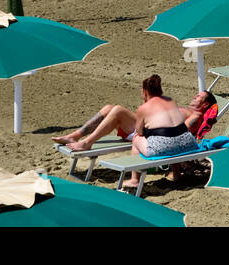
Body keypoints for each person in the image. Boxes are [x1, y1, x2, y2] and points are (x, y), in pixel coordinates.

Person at [52, 77, 212, 189]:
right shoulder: (180, 107)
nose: (194, 96)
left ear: (204, 105)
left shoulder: (195, 115)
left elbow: (177, 131)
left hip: (153, 135)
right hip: (152, 128)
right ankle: (76, 135)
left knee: (117, 111)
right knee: (109, 108)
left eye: (199, 97)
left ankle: (86, 143)